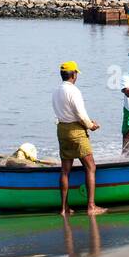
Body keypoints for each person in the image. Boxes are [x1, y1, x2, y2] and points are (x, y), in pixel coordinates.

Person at [52, 61, 105, 216]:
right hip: (76, 131)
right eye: (76, 74)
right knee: (90, 167)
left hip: (62, 130)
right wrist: (91, 126)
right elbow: (80, 114)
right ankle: (91, 206)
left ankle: (64, 208)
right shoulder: (73, 91)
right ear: (73, 74)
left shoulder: (56, 91)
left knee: (65, 170)